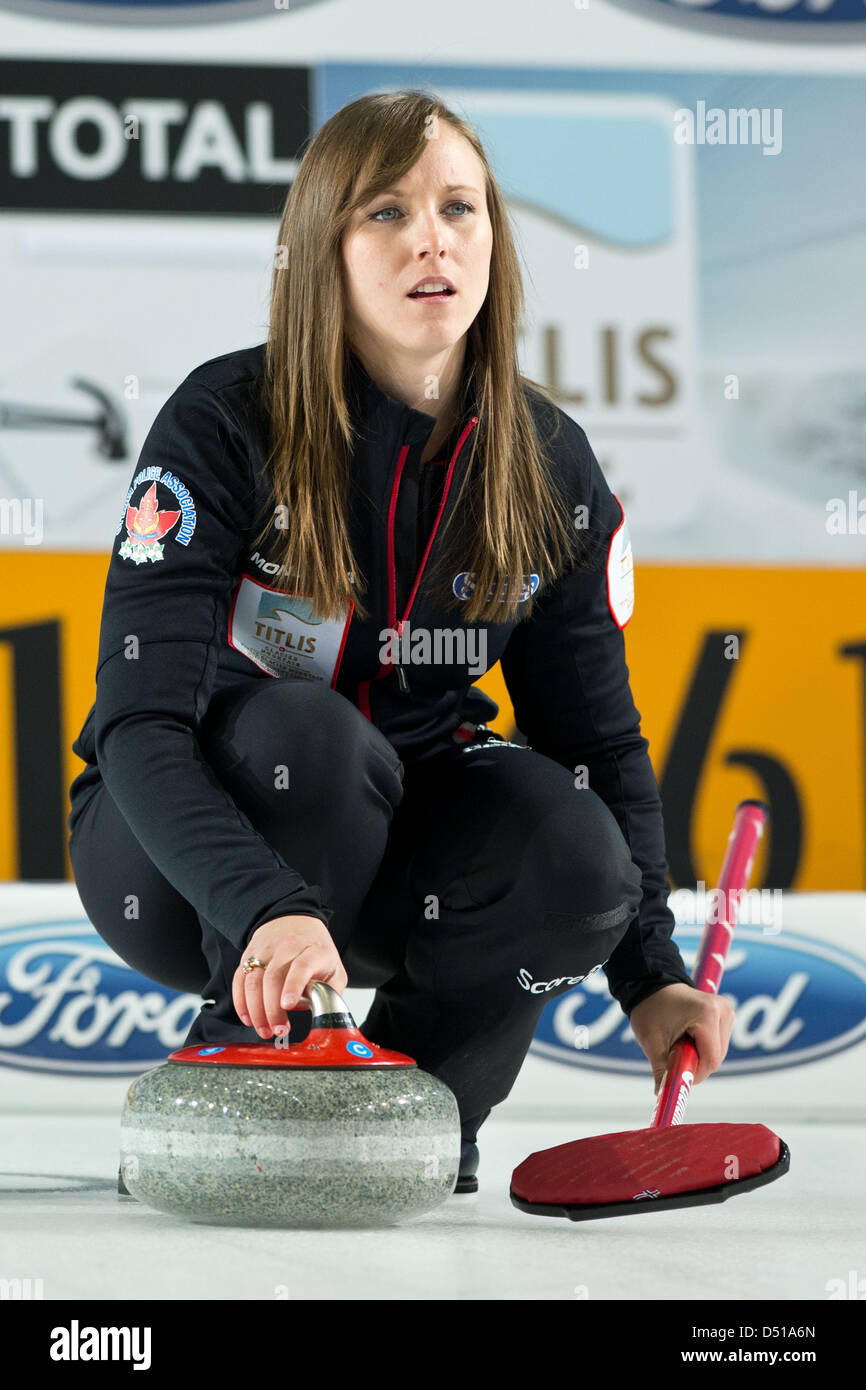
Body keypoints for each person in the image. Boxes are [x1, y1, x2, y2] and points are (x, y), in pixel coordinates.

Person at [67, 89, 733, 1193]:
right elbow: (138, 724)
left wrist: (648, 976)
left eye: (459, 208)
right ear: (322, 247)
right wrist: (265, 905)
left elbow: (595, 748)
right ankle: (249, 1061)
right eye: (385, 211)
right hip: (184, 857)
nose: (431, 237)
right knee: (312, 742)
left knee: (576, 856)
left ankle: (417, 1112)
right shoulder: (223, 421)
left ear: (492, 242)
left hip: (392, 862)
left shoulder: (550, 462)